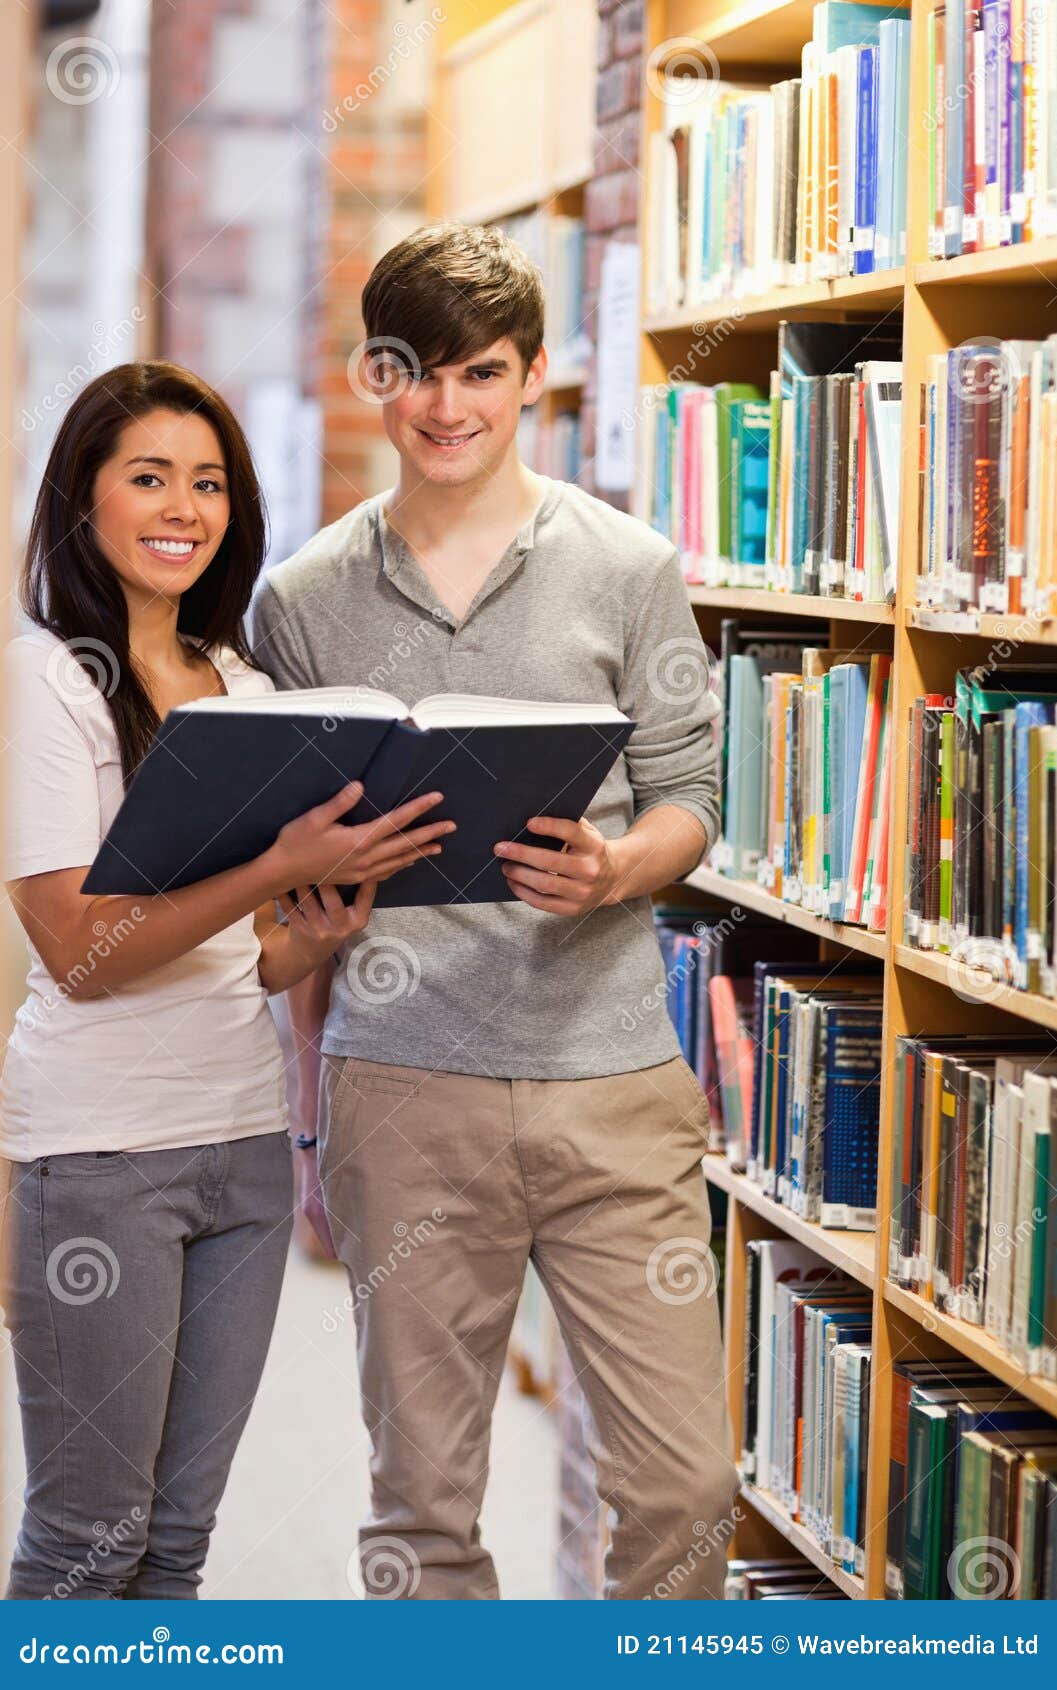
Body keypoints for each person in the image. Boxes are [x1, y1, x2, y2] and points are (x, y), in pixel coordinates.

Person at [249, 222, 739, 1601]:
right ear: (373, 376)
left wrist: (616, 867)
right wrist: (306, 1105)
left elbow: (690, 794)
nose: (446, 407)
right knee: (420, 1505)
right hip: (400, 1086)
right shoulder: (303, 598)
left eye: (479, 372)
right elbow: (289, 887)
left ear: (529, 378)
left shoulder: (626, 566)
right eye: (413, 372)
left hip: (609, 1079)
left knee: (684, 1487)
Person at [0, 360, 453, 1599]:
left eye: (207, 482)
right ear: (83, 497)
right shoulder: (43, 682)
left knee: (177, 1541)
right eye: (147, 476)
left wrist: (313, 918)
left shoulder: (244, 690)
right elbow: (76, 950)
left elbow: (235, 956)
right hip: (101, 1152)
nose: (181, 506)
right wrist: (275, 857)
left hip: (245, 1146)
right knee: (85, 1536)